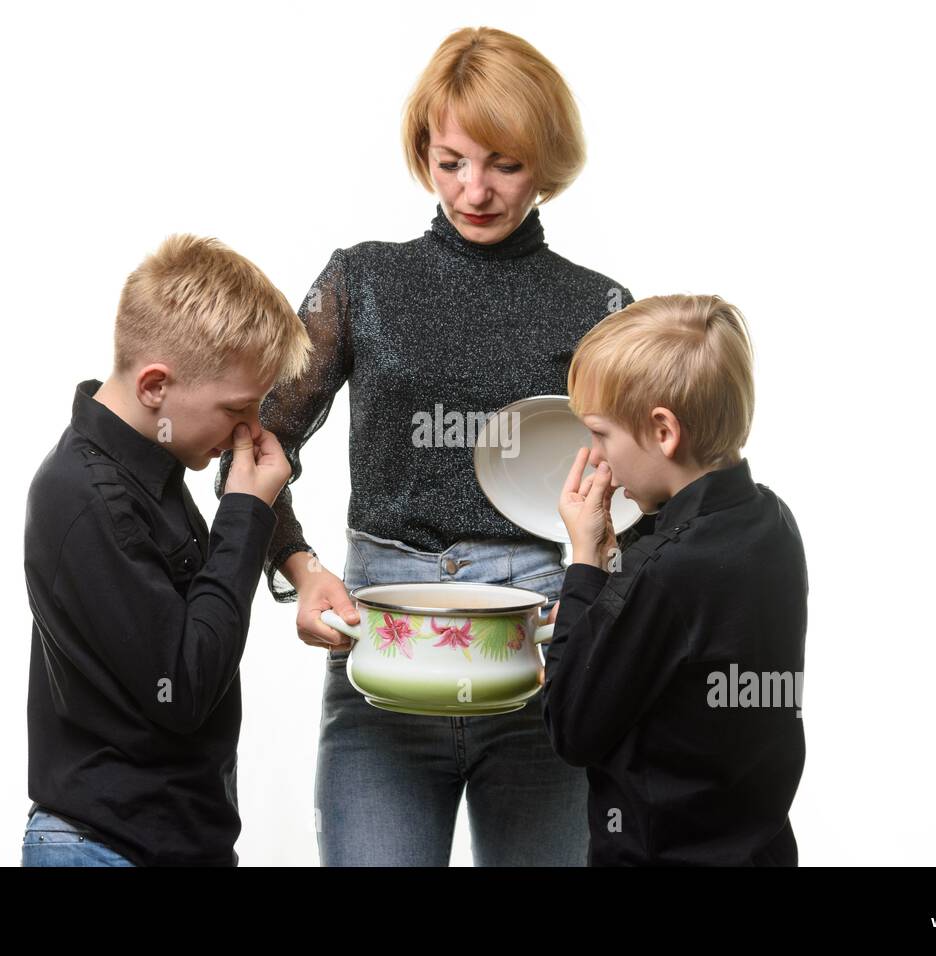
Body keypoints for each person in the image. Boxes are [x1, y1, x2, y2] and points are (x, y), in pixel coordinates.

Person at [214, 26, 639, 865]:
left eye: (504, 165)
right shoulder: (364, 279)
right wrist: (300, 570)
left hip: (543, 648)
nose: (473, 189)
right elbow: (252, 446)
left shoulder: (600, 306)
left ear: (546, 160)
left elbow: (652, 495)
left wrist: (601, 596)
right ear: (423, 153)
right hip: (383, 636)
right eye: (450, 161)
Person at [22, 234, 309, 865]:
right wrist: (246, 511)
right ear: (155, 387)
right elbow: (180, 687)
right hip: (105, 850)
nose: (251, 431)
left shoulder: (151, 469)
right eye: (237, 408)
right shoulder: (86, 496)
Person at [543, 294, 809, 865]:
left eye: (601, 434)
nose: (596, 457)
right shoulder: (773, 520)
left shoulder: (664, 570)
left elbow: (572, 728)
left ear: (663, 432)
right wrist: (608, 592)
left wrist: (586, 563)